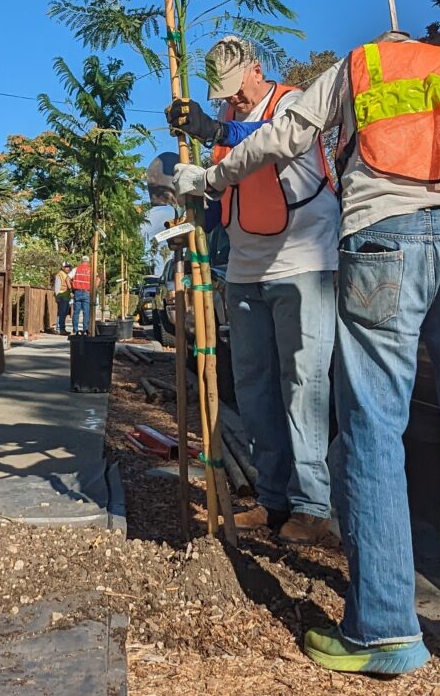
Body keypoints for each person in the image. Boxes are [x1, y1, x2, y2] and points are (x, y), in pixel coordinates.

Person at [171, 31, 440, 678]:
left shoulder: (364, 65)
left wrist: (207, 177)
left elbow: (283, 136)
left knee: (374, 433)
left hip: (385, 244)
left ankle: (384, 632)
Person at [166, 36, 339, 545]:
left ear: (256, 69)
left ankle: (313, 506)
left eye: (235, 89)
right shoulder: (223, 119)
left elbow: (267, 139)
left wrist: (213, 129)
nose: (231, 100)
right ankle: (272, 499)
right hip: (244, 267)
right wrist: (190, 180)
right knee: (255, 384)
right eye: (221, 94)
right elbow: (221, 181)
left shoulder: (292, 102)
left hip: (302, 260)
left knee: (304, 383)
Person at [70, 255, 93, 334]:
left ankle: (75, 329)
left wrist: (71, 289)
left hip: (77, 292)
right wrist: (94, 288)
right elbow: (98, 279)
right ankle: (85, 329)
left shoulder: (76, 269)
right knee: (86, 312)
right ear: (88, 261)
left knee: (76, 312)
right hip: (86, 292)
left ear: (81, 261)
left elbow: (67, 278)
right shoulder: (91, 270)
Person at [52, 262, 73, 334]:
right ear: (62, 267)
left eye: (69, 267)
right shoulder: (60, 275)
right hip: (61, 296)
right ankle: (59, 329)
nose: (68, 268)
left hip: (66, 297)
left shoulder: (66, 275)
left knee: (63, 313)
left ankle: (62, 328)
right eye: (66, 267)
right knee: (61, 313)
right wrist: (57, 296)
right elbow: (57, 287)